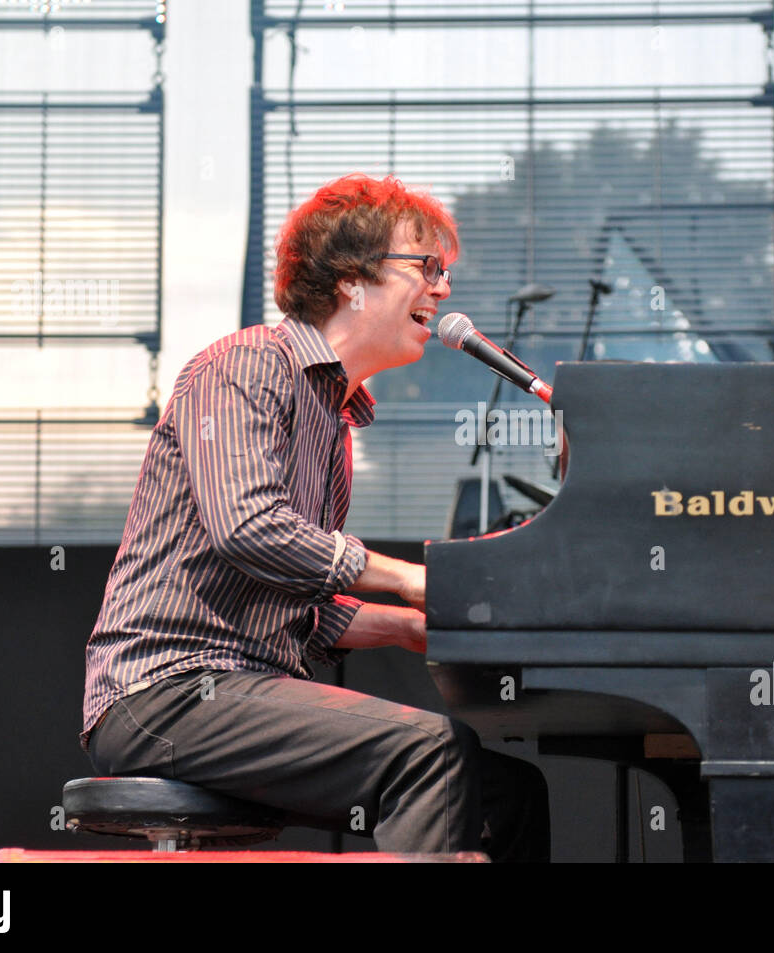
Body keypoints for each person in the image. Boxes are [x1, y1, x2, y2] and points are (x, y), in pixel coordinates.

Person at [80, 173, 549, 861]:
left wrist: (409, 627)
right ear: (351, 280)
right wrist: (410, 580)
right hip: (163, 693)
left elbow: (301, 603)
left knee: (508, 792)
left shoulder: (333, 417)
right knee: (429, 751)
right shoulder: (245, 365)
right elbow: (248, 527)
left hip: (242, 687)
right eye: (427, 267)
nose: (444, 290)